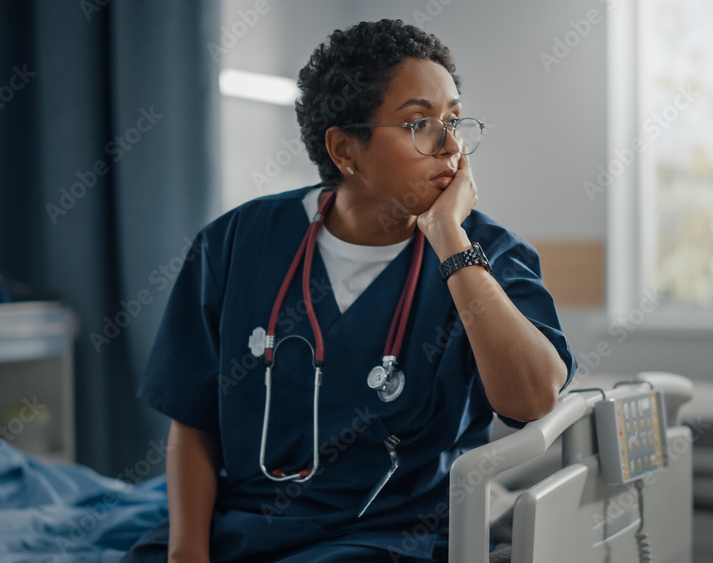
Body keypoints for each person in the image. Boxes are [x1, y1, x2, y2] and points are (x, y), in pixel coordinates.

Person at [122, 18, 577, 563]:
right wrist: (187, 554)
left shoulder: (489, 253)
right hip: (245, 529)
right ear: (345, 149)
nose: (452, 146)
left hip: (398, 535)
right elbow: (193, 427)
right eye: (420, 123)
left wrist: (450, 240)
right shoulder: (235, 244)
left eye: (455, 120)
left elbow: (533, 399)